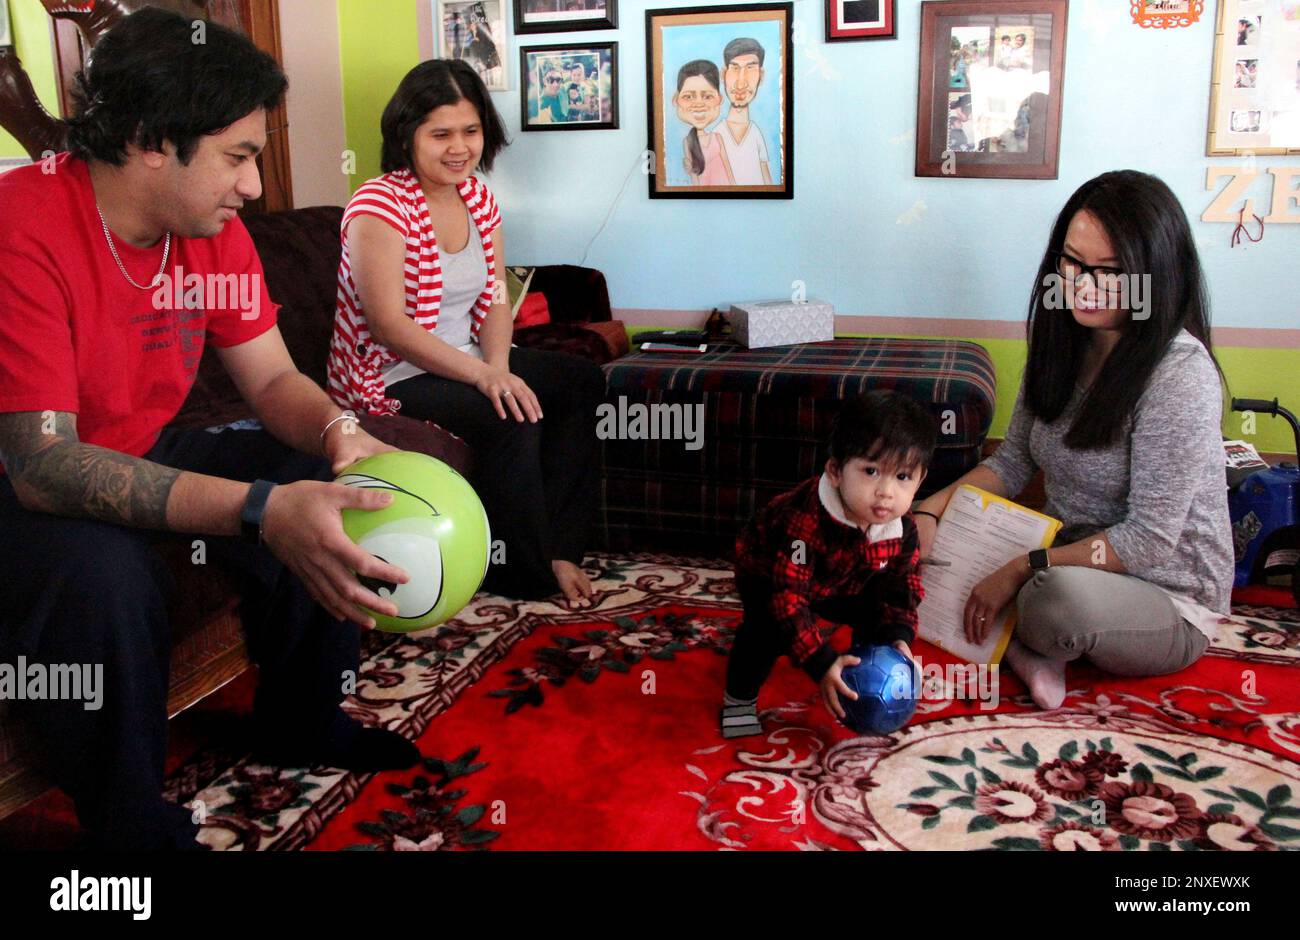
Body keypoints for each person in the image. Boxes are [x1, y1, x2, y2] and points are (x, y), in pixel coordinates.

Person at [0, 9, 419, 851]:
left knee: (319, 472)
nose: (254, 187)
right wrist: (261, 509)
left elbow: (270, 380)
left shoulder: (211, 233)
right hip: (20, 477)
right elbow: (42, 465)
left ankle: (303, 717)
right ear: (155, 140)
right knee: (105, 576)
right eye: (238, 156)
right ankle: (128, 823)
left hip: (131, 444)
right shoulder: (20, 225)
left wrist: (340, 432)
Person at [912, 170, 1232, 711]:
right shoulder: (1062, 338)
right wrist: (929, 511)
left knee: (1054, 601)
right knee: (909, 540)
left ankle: (1032, 637)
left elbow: (1149, 541)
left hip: (1163, 591)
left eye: (1108, 272)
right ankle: (1027, 628)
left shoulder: (1179, 374)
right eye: (1071, 262)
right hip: (1060, 549)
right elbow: (1012, 461)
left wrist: (1022, 567)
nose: (1082, 285)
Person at [325, 60, 604, 607]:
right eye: (441, 134)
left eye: (470, 131)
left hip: (470, 355)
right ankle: (523, 573)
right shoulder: (378, 205)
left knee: (581, 380)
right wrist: (486, 379)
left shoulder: (477, 196)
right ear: (407, 135)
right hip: (392, 373)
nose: (459, 148)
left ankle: (563, 548)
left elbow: (496, 294)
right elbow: (389, 326)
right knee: (509, 416)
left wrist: (496, 368)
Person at [720, 392, 935, 738]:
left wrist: (899, 637)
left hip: (847, 577)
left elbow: (903, 588)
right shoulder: (803, 524)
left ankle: (860, 673)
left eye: (903, 477)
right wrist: (820, 663)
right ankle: (738, 700)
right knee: (765, 631)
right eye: (871, 471)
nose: (885, 492)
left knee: (877, 613)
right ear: (836, 471)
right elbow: (788, 598)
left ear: (920, 480)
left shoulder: (902, 528)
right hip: (771, 574)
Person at [718, 37, 773, 185]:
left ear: (761, 76)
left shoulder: (755, 133)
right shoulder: (716, 135)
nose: (741, 83)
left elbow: (768, 181)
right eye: (735, 68)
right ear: (723, 74)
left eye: (750, 68)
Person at [674, 60, 734, 186]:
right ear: (676, 100)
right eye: (689, 97)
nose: (699, 104)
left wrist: (733, 185)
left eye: (707, 96)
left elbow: (727, 165)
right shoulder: (688, 141)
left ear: (720, 99)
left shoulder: (718, 138)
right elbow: (694, 174)